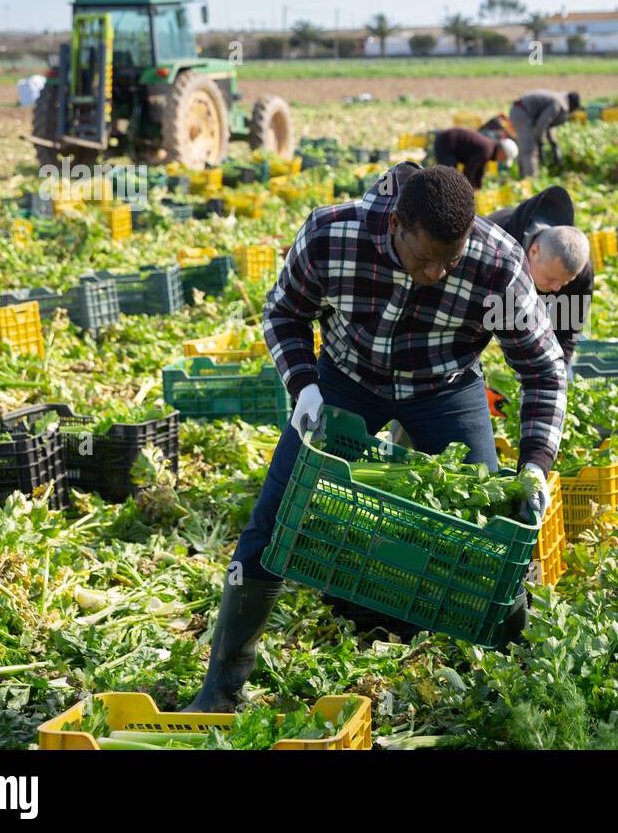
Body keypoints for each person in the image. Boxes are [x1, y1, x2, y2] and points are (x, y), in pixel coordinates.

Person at [184, 163, 567, 712]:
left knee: (494, 536)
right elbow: (284, 313)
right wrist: (305, 386)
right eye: (424, 258)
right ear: (395, 225)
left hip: (445, 387)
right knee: (271, 529)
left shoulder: (497, 264)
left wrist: (535, 462)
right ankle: (219, 693)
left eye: (450, 259)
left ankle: (518, 697)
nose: (437, 272)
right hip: (346, 379)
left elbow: (544, 368)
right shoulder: (331, 235)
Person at [487, 186, 593, 374]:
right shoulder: (494, 242)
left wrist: (555, 370)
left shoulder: (579, 269)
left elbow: (566, 330)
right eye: (552, 278)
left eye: (565, 282)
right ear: (534, 251)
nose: (556, 287)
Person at [510, 90, 579, 177]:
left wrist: (553, 143)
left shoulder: (558, 100)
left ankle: (524, 177)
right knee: (529, 149)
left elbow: (549, 125)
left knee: (526, 148)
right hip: (522, 113)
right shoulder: (557, 104)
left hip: (520, 111)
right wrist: (540, 142)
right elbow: (543, 123)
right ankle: (531, 180)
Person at [432, 127, 518, 189]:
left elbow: (479, 169)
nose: (502, 160)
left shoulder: (489, 148)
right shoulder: (486, 150)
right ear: (502, 152)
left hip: (448, 142)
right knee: (447, 176)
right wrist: (469, 189)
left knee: (450, 177)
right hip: (445, 142)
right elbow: (469, 170)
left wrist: (477, 186)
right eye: (504, 158)